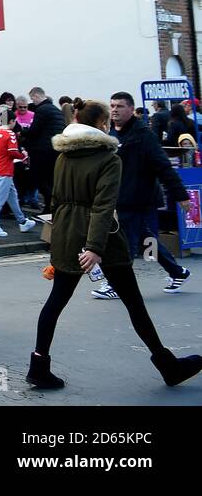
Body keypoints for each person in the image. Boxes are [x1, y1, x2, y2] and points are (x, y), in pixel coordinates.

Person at [26, 100, 202, 390]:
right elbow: (102, 206)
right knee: (134, 303)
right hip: (103, 237)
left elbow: (56, 201)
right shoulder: (108, 158)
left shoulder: (63, 156)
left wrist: (60, 239)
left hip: (67, 232)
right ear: (101, 124)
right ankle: (167, 364)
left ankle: (38, 365)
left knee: (55, 302)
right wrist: (94, 247)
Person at [98, 92, 192, 298]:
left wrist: (181, 195)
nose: (114, 110)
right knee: (148, 239)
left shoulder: (143, 135)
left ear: (131, 109)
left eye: (120, 106)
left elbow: (163, 166)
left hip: (139, 199)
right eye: (112, 105)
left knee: (126, 244)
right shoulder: (112, 133)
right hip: (121, 197)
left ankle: (117, 285)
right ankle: (178, 272)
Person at [0, 105, 36, 237]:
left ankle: (22, 221)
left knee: (12, 195)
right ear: (12, 121)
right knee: (0, 197)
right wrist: (23, 156)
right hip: (6, 169)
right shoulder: (10, 134)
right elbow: (12, 152)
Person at [23, 87, 65, 214]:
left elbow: (34, 130)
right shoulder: (56, 110)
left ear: (36, 96)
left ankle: (49, 206)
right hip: (55, 149)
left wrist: (22, 132)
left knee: (40, 179)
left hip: (42, 150)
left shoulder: (42, 110)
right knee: (51, 180)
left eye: (32, 99)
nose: (32, 102)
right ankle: (52, 207)